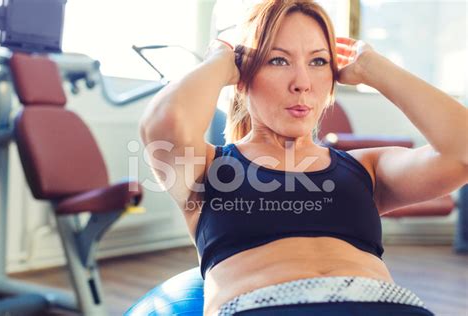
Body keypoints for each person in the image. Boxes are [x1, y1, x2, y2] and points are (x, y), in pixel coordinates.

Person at [139, 1, 468, 315]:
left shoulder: (366, 168)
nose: (302, 83)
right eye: (278, 60)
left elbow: (462, 153)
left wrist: (375, 68)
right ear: (242, 77)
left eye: (318, 61)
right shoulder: (208, 169)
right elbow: (165, 125)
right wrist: (218, 61)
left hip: (386, 305)